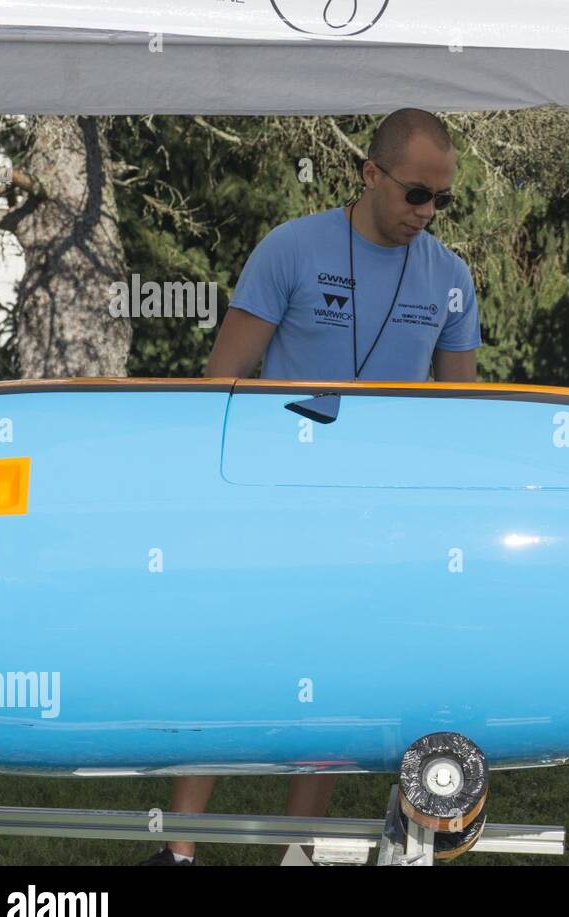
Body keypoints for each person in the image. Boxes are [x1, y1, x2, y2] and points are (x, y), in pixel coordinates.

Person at [141, 108, 481, 866]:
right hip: (273, 497)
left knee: (330, 674)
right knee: (230, 661)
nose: (426, 214)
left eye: (441, 200)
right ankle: (181, 847)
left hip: (377, 515)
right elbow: (221, 382)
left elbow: (460, 418)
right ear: (369, 173)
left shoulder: (450, 278)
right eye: (416, 194)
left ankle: (303, 848)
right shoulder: (292, 248)